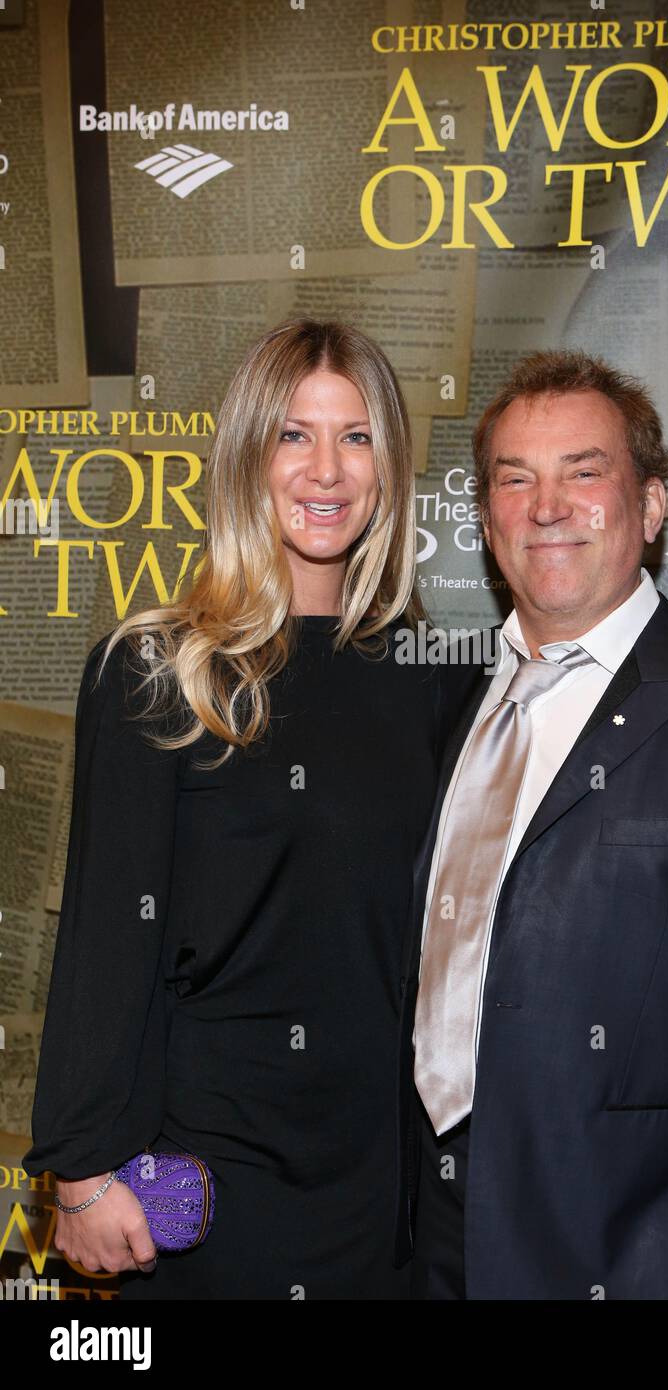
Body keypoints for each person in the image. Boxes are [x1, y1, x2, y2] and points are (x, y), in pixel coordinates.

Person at [22, 317, 479, 1299]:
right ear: (245, 456)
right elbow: (107, 939)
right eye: (292, 434)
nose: (326, 470)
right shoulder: (158, 669)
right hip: (212, 1177)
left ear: (390, 464)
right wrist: (84, 1166)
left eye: (355, 436)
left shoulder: (434, 679)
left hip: (378, 1180)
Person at [395, 348, 668, 1300]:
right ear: (483, 519)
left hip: (627, 1257)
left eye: (583, 473)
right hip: (418, 1241)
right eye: (515, 479)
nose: (546, 506)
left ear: (649, 506)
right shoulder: (443, 704)